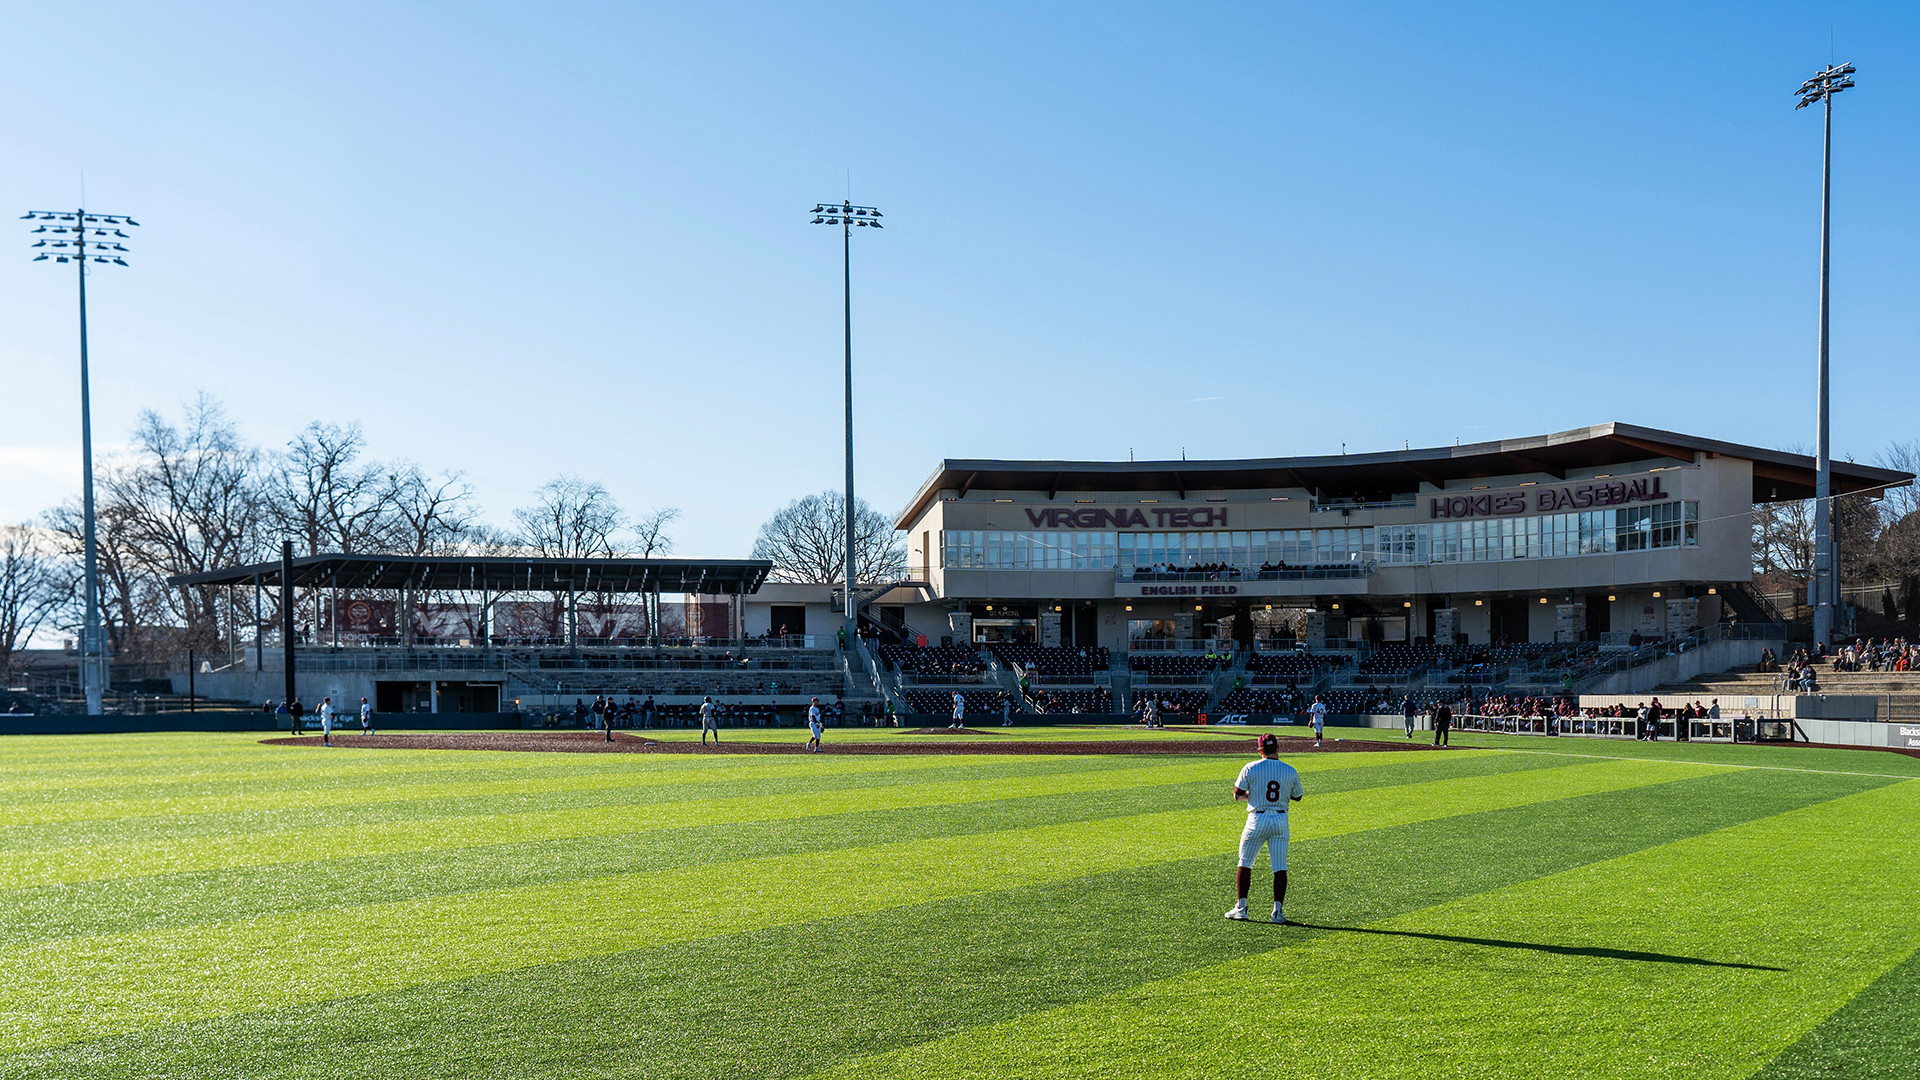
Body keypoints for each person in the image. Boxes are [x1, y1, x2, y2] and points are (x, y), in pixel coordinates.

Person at [1226, 733, 1303, 924]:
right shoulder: (1290, 770)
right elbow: (1298, 796)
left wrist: (1252, 796)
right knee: (1279, 866)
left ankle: (1241, 908)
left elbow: (1237, 794)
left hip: (1256, 819)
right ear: (1278, 748)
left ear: (1260, 750)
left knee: (1245, 862)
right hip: (1280, 819)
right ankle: (1278, 912)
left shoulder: (1250, 767)